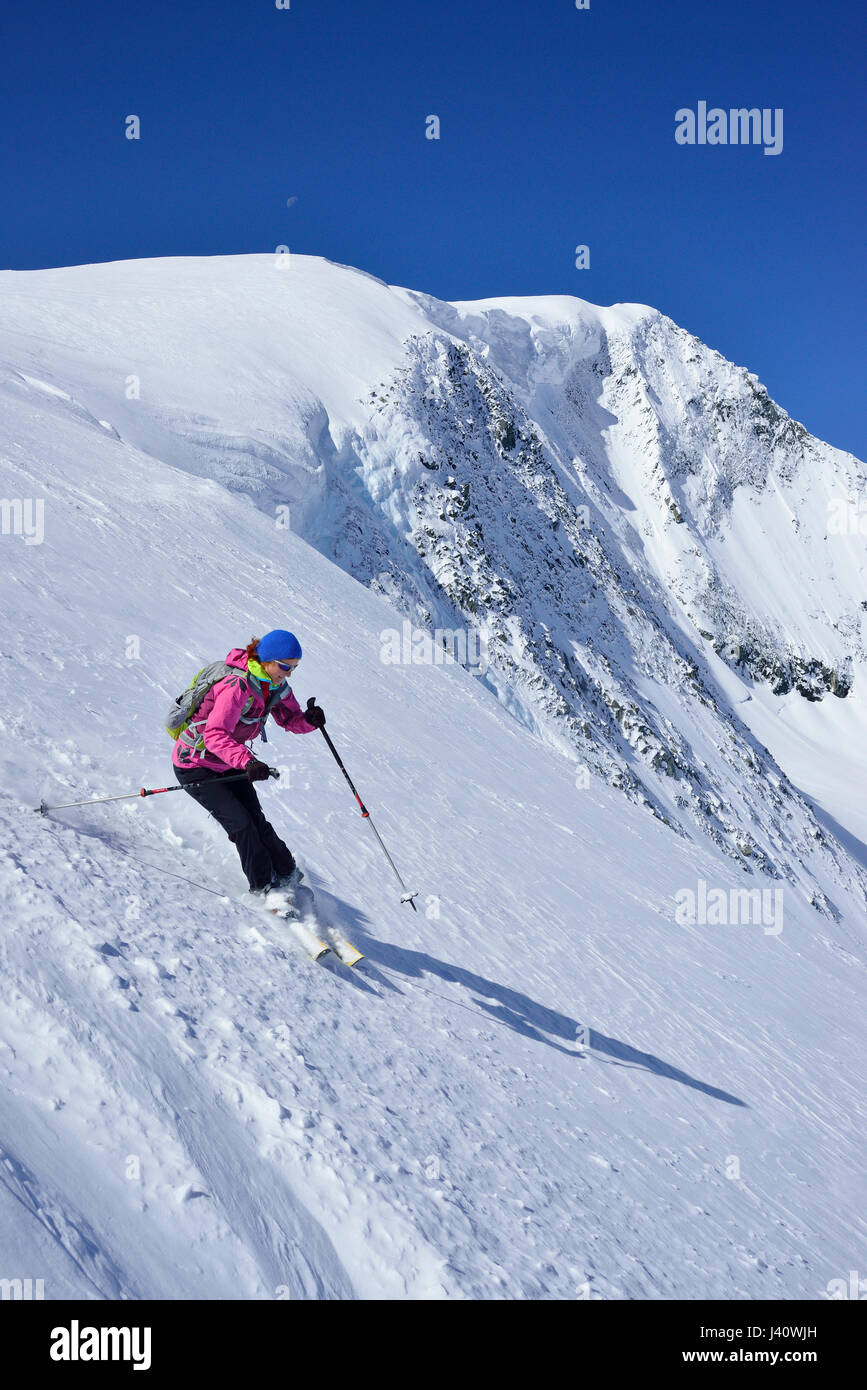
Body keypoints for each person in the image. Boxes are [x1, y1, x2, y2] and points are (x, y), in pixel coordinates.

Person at [172, 630, 326, 895]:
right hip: (195, 765)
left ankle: (287, 873)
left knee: (256, 819)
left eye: (294, 668)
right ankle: (265, 888)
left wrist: (309, 721)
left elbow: (290, 720)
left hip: (229, 761)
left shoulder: (274, 685)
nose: (288, 673)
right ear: (267, 659)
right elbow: (214, 735)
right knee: (242, 825)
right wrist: (247, 761)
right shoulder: (237, 686)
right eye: (285, 667)